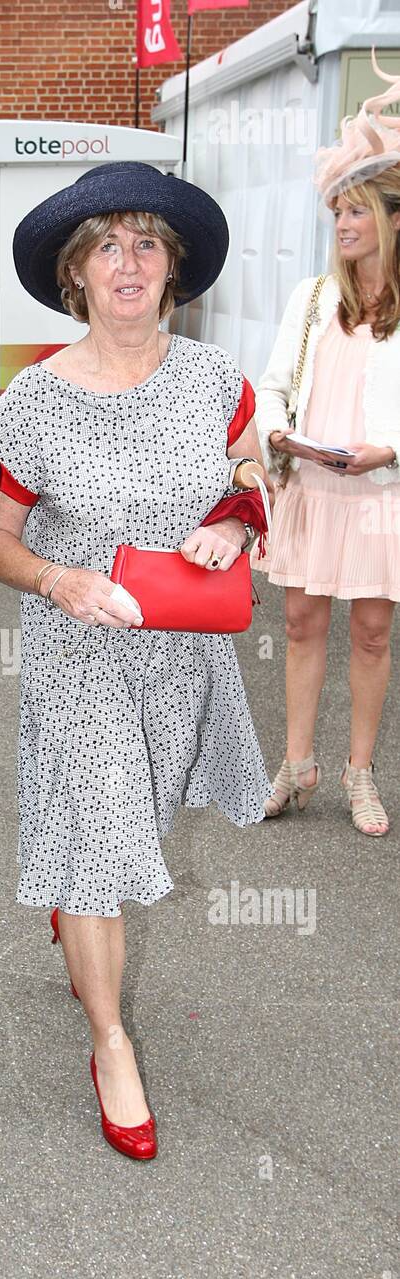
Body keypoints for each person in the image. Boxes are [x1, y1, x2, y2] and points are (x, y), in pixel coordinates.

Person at [0, 162, 272, 1161]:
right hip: (81, 658)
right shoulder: (32, 400)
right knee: (103, 844)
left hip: (180, 661)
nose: (128, 261)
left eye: (146, 242)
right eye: (105, 244)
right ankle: (109, 1042)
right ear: (73, 275)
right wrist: (58, 580)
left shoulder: (216, 380)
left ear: (172, 271)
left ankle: (76, 912)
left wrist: (236, 518)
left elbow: (248, 469)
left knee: (131, 827)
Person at [254, 50, 400, 838]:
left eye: (357, 211)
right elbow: (274, 383)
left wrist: (390, 449)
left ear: (392, 218)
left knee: (373, 633)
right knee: (302, 625)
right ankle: (298, 764)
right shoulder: (312, 299)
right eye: (336, 212)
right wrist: (278, 431)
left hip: (380, 495)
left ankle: (359, 773)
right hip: (312, 486)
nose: (343, 225)